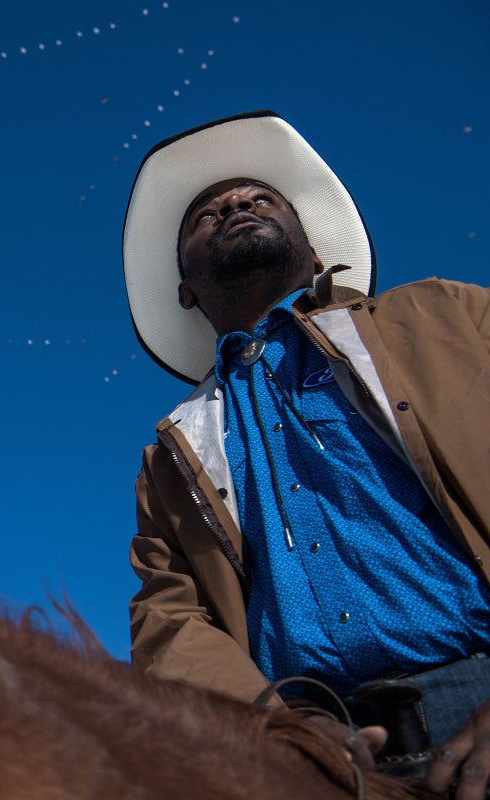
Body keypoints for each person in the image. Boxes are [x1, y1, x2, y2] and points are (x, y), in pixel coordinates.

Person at [122, 110, 490, 796]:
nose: (235, 203)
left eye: (261, 199)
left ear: (316, 253)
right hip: (307, 750)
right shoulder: (171, 458)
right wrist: (271, 734)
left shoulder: (450, 319)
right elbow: (170, 616)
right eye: (208, 214)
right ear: (184, 290)